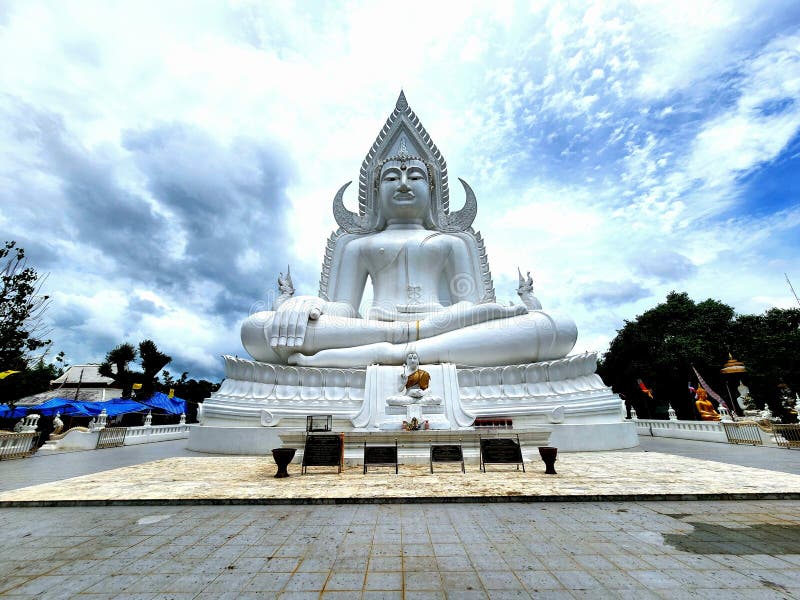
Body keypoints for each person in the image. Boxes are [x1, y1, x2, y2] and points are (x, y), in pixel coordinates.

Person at [241, 100, 577, 369]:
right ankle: (403, 345)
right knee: (257, 329)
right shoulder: (358, 245)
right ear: (374, 193)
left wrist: (490, 314)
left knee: (557, 327)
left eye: (414, 176)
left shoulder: (452, 241)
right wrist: (309, 307)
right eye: (391, 178)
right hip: (375, 329)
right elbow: (343, 309)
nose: (403, 184)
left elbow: (472, 307)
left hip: (446, 327)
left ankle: (392, 352)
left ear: (432, 191)